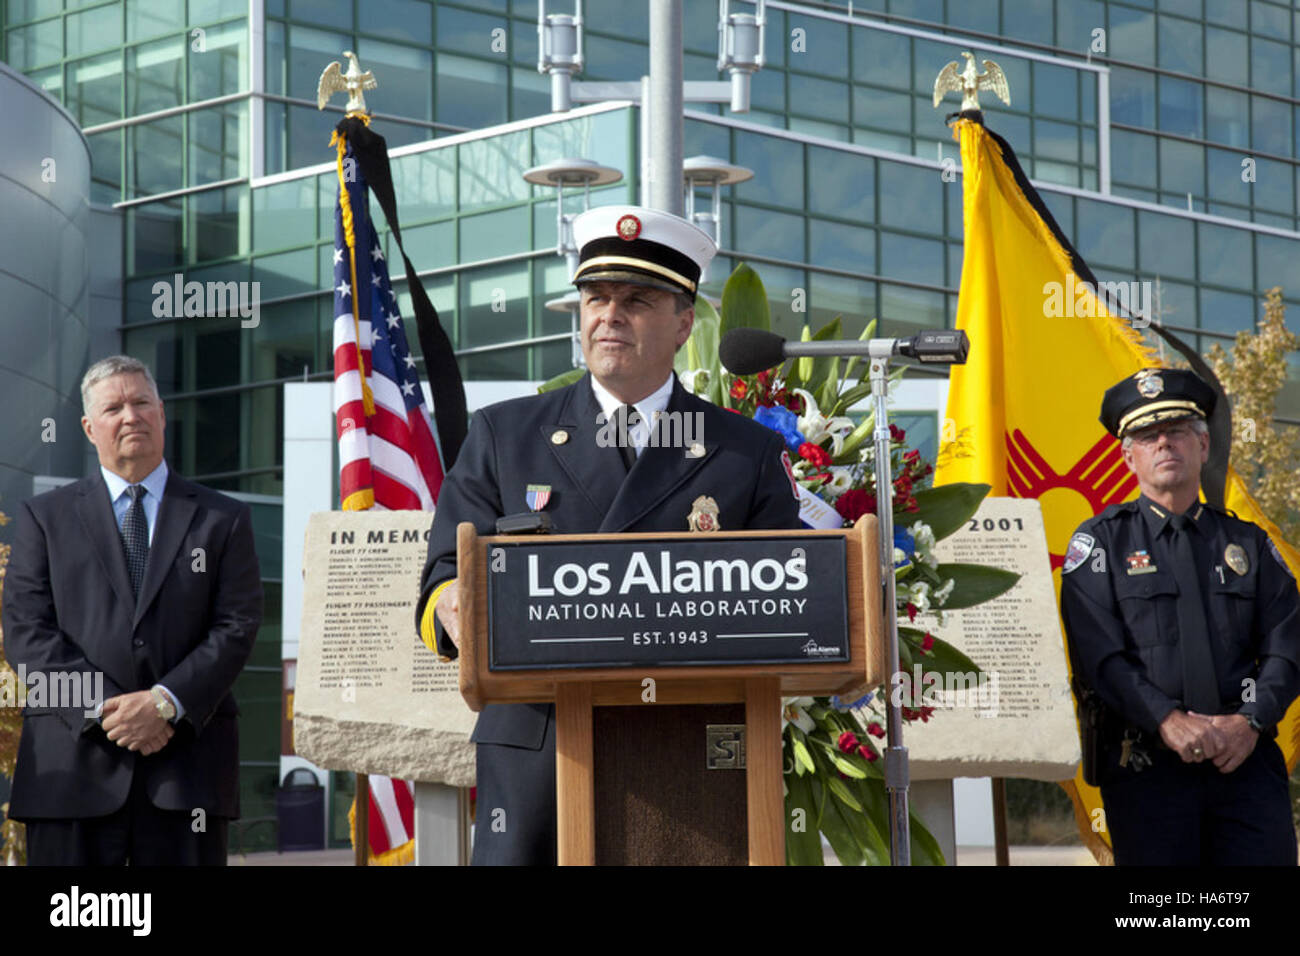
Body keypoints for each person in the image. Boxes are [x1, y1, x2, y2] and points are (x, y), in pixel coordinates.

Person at [415, 205, 802, 865]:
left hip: (687, 754)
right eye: (596, 297)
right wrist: (454, 602)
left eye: (636, 300)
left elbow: (789, 599)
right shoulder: (505, 435)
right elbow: (443, 574)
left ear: (684, 324)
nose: (609, 315)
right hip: (541, 751)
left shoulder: (746, 452)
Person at [3, 355, 263, 865]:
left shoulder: (223, 519)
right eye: (114, 407)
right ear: (88, 427)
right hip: (70, 774)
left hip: (185, 775)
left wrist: (164, 703)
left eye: (142, 402)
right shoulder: (44, 518)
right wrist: (108, 710)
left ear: (161, 414)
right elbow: (26, 634)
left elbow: (236, 626)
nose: (131, 416)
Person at [1060, 367, 1299, 865]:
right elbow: (1100, 657)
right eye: (1148, 436)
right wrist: (1167, 719)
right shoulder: (1100, 544)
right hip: (1147, 767)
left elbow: (1289, 644)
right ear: (1129, 457)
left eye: (1177, 431)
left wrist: (1251, 721)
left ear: (1203, 445)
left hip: (1245, 762)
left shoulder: (1249, 544)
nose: (1164, 443)